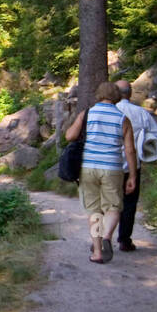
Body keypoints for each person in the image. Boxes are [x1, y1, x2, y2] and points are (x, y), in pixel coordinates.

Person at [64, 81, 138, 264]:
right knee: (113, 208)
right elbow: (130, 150)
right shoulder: (123, 118)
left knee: (94, 211)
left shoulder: (87, 114)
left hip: (88, 167)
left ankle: (97, 252)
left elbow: (70, 136)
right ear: (117, 96)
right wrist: (133, 176)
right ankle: (107, 237)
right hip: (113, 168)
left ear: (98, 94)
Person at [114, 79, 157, 252]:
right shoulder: (140, 113)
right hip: (131, 165)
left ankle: (100, 240)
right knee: (129, 203)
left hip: (108, 165)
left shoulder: (107, 112)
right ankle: (124, 240)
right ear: (129, 93)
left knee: (106, 203)